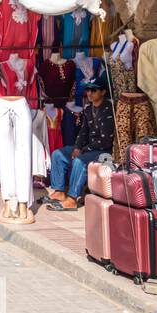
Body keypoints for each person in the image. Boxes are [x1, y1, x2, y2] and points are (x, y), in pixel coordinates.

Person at [47, 75, 116, 211]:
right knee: (58, 155)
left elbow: (105, 140)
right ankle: (59, 191)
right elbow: (83, 131)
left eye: (94, 90)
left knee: (79, 161)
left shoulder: (109, 110)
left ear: (103, 92)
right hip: (88, 149)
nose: (89, 93)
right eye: (88, 90)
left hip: (103, 152)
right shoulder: (89, 108)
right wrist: (78, 147)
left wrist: (83, 149)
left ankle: (72, 199)